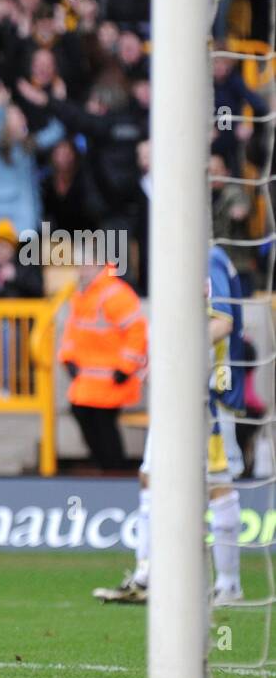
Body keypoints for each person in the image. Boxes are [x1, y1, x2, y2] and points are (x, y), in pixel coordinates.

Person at [96, 246, 246, 606]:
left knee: (217, 485)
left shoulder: (206, 256)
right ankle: (148, 576)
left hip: (205, 393)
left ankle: (228, 584)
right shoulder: (180, 249)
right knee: (150, 475)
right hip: (175, 392)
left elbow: (222, 321)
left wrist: (176, 355)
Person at [57, 252, 147, 470]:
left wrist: (125, 368)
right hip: (89, 379)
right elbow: (73, 330)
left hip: (111, 378)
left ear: (99, 265)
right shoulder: (82, 294)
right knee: (83, 414)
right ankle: (106, 467)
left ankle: (113, 470)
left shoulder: (115, 294)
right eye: (80, 266)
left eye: (86, 265)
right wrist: (68, 358)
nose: (81, 270)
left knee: (104, 424)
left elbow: (136, 331)